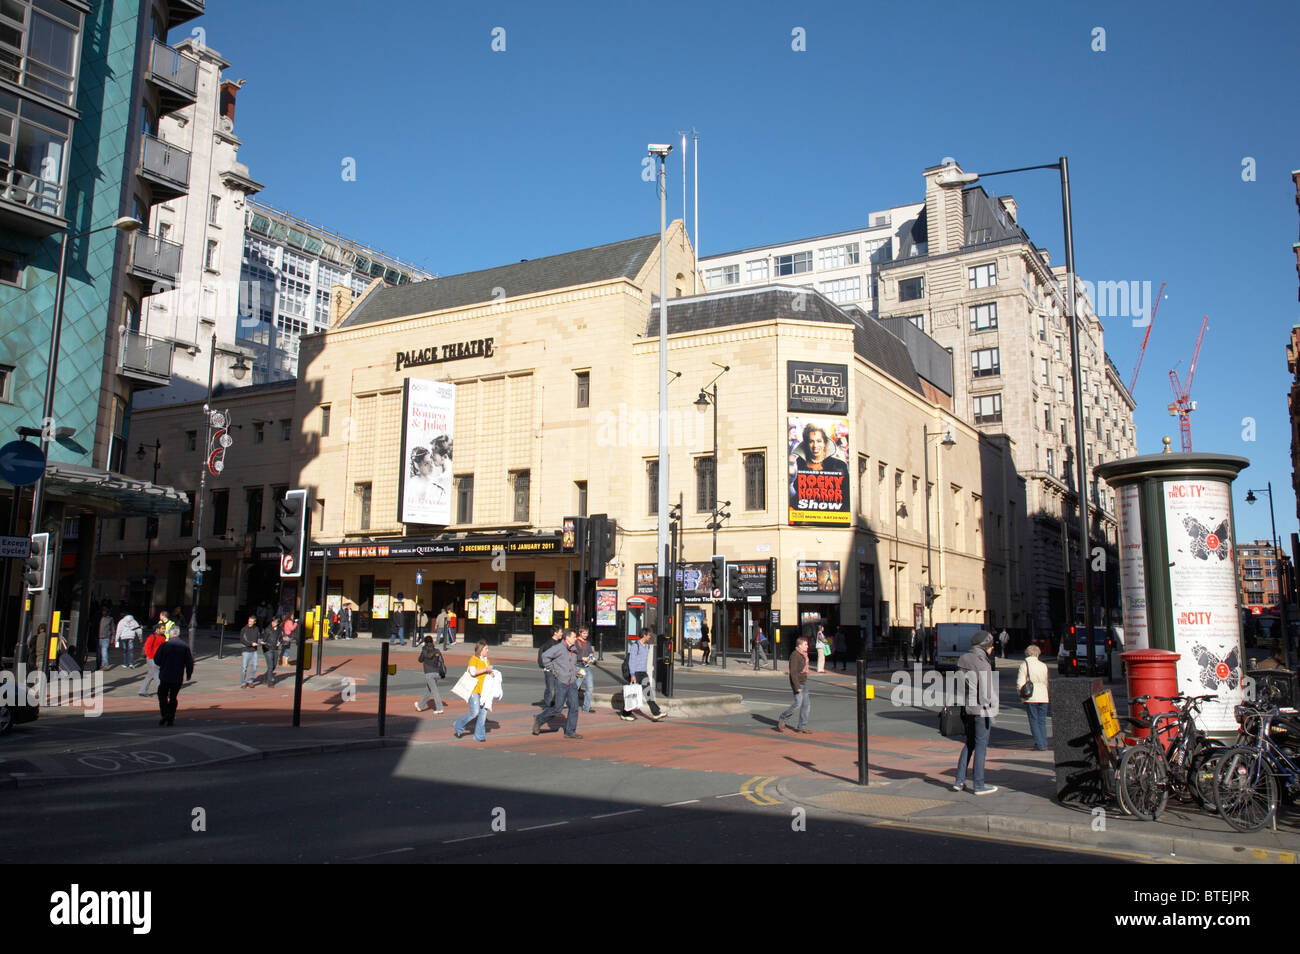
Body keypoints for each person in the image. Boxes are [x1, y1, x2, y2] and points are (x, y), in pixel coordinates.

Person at [953, 630, 998, 795]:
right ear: (985, 646)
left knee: (969, 744)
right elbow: (986, 693)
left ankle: (959, 781)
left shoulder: (963, 659)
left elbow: (958, 686)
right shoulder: (983, 663)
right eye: (991, 646)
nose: (992, 649)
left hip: (966, 707)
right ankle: (979, 785)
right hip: (981, 710)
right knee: (981, 747)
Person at [533, 630, 583, 739]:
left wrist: (577, 674)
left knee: (574, 707)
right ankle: (539, 719)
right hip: (561, 681)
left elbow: (574, 663)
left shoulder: (574, 649)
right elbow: (545, 656)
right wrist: (552, 669)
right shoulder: (559, 648)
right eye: (574, 637)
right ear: (567, 638)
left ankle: (570, 731)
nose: (575, 638)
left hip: (572, 682)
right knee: (558, 708)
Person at [619, 632, 665, 722]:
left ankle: (656, 713)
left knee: (648, 693)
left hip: (643, 673)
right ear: (644, 635)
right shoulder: (635, 646)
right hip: (635, 673)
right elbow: (631, 661)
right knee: (632, 694)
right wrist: (632, 675)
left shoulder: (647, 646)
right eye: (648, 635)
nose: (649, 636)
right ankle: (625, 713)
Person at [153, 627, 195, 727]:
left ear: (170, 634)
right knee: (173, 696)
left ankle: (165, 713)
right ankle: (170, 717)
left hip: (165, 674)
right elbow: (189, 662)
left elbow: (157, 660)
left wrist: (163, 664)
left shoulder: (165, 645)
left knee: (162, 694)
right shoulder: (184, 646)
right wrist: (189, 674)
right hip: (177, 676)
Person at [452, 641, 494, 741]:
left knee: (483, 713)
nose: (488, 651)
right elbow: (473, 672)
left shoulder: (486, 661)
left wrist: (491, 673)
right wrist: (486, 670)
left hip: (484, 691)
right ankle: (458, 725)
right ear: (481, 650)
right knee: (475, 712)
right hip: (474, 690)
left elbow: (486, 672)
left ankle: (479, 736)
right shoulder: (474, 659)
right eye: (486, 649)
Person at [1017, 644, 1050, 750]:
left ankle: (1039, 744)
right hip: (1043, 696)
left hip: (1031, 696)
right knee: (1042, 721)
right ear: (1037, 653)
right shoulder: (1043, 665)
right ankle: (1043, 743)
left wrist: (1021, 695)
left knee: (1033, 720)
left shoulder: (1024, 665)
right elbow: (1046, 682)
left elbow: (1020, 683)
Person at [776, 636, 811, 733]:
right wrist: (797, 686)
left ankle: (802, 726)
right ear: (800, 646)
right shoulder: (795, 655)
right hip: (797, 683)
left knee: (806, 705)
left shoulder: (803, 655)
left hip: (803, 682)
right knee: (798, 703)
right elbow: (793, 672)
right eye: (805, 644)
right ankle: (782, 718)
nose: (807, 646)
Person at [415, 636, 445, 713]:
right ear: (432, 642)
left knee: (434, 691)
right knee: (429, 690)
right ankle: (420, 706)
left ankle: (439, 708)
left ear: (425, 642)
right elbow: (442, 661)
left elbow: (420, 660)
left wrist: (423, 652)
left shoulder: (424, 650)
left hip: (429, 673)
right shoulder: (437, 650)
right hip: (437, 673)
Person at [139, 619, 166, 697]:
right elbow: (147, 647)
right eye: (162, 629)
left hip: (157, 658)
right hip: (153, 659)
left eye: (164, 629)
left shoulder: (163, 637)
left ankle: (143, 690)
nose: (164, 630)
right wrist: (151, 657)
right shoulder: (152, 637)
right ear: (157, 629)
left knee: (150, 675)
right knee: (157, 675)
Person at [537, 626, 564, 707]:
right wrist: (551, 668)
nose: (562, 634)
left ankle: (555, 704)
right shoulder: (549, 644)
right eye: (560, 632)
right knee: (550, 688)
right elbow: (547, 658)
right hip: (550, 670)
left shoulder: (559, 643)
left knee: (558, 688)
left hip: (558, 670)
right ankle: (548, 705)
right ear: (555, 633)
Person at [575, 627, 596, 713]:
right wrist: (581, 658)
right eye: (584, 633)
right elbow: (573, 654)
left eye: (587, 633)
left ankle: (586, 707)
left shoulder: (587, 643)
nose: (586, 635)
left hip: (586, 667)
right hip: (580, 667)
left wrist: (591, 657)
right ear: (580, 633)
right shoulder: (576, 642)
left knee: (590, 687)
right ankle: (572, 704)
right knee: (576, 686)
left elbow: (590, 652)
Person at [238, 615, 260, 687]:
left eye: (251, 621)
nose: (249, 622)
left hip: (254, 650)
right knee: (244, 667)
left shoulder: (256, 629)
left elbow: (258, 637)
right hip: (246, 650)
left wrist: (260, 642)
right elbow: (242, 640)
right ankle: (243, 683)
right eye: (249, 621)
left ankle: (250, 680)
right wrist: (251, 643)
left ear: (255, 622)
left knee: (255, 666)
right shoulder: (244, 629)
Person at [263, 616, 284, 687]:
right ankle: (270, 682)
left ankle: (265, 677)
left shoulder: (279, 629)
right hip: (268, 649)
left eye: (275, 622)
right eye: (272, 621)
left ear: (278, 623)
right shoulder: (268, 629)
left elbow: (281, 638)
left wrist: (279, 642)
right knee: (270, 665)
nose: (273, 623)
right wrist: (264, 644)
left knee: (274, 665)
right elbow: (264, 639)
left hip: (275, 648)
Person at [97, 603, 115, 670]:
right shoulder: (100, 618)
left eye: (104, 611)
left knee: (104, 651)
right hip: (100, 637)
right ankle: (102, 664)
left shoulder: (110, 619)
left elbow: (113, 629)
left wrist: (113, 638)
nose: (103, 612)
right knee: (101, 652)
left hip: (105, 637)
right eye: (103, 611)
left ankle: (105, 664)